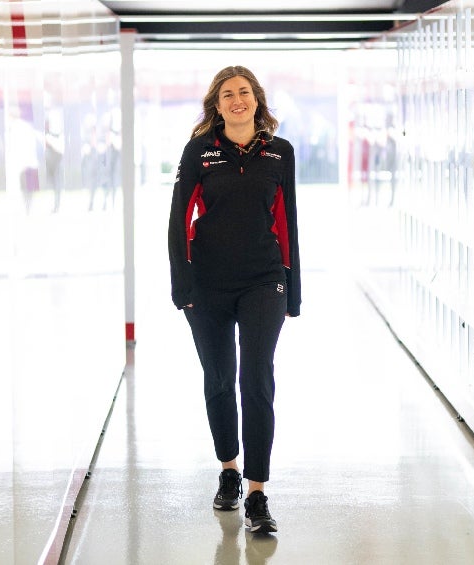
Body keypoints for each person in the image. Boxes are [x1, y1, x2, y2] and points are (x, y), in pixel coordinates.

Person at [168, 65, 301, 534]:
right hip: (208, 284)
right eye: (228, 94)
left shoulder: (280, 152)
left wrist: (294, 290)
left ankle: (257, 493)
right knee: (220, 379)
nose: (237, 100)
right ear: (217, 105)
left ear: (257, 99)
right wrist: (182, 286)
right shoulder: (198, 152)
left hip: (264, 280)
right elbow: (178, 219)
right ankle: (229, 469)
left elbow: (287, 220)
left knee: (257, 378)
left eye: (244, 92)